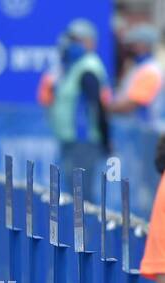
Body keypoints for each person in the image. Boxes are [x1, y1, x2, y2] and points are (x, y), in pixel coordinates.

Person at [38, 19, 110, 200]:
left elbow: (98, 106)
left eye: (76, 39)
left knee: (82, 196)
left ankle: (86, 229)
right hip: (71, 139)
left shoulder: (88, 68)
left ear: (89, 42)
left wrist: (106, 139)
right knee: (72, 193)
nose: (70, 43)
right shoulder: (72, 66)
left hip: (83, 140)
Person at [108, 23, 162, 126]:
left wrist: (107, 108)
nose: (130, 48)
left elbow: (133, 103)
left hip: (142, 129)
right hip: (132, 128)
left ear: (143, 45)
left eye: (133, 45)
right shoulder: (137, 67)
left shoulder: (149, 71)